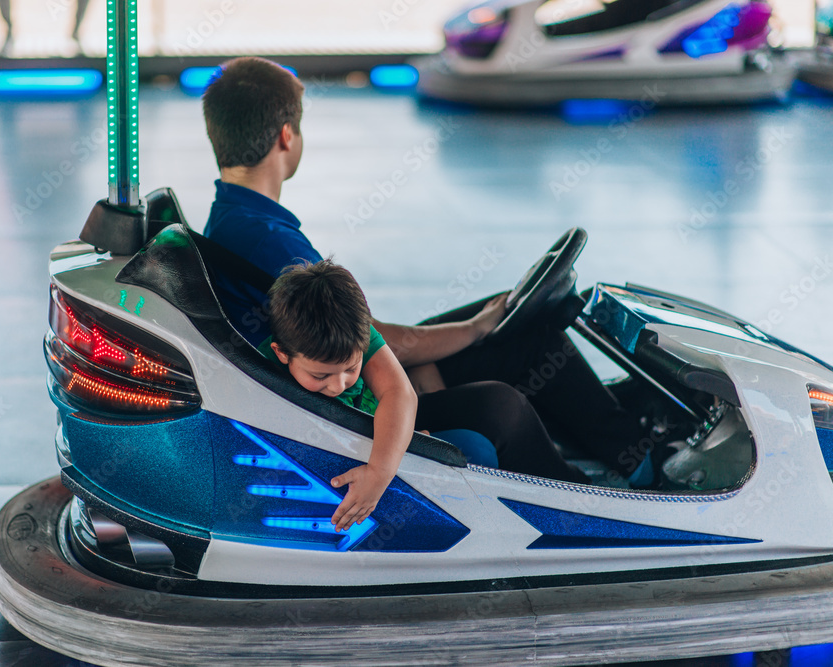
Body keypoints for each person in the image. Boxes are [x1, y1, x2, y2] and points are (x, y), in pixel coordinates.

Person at [201, 57, 657, 486]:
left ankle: (614, 449)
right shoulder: (269, 241)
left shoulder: (234, 218)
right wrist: (475, 330)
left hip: (332, 373)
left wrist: (475, 328)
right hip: (343, 397)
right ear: (287, 136)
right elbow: (366, 338)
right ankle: (624, 479)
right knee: (528, 349)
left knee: (511, 322)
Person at [261, 259, 587, 531]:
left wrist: (381, 470)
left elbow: (398, 393)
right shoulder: (265, 372)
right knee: (476, 447)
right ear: (282, 353)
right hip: (349, 441)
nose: (338, 384)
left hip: (384, 429)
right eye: (321, 376)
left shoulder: (352, 332)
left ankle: (579, 496)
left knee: (500, 403)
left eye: (351, 367)